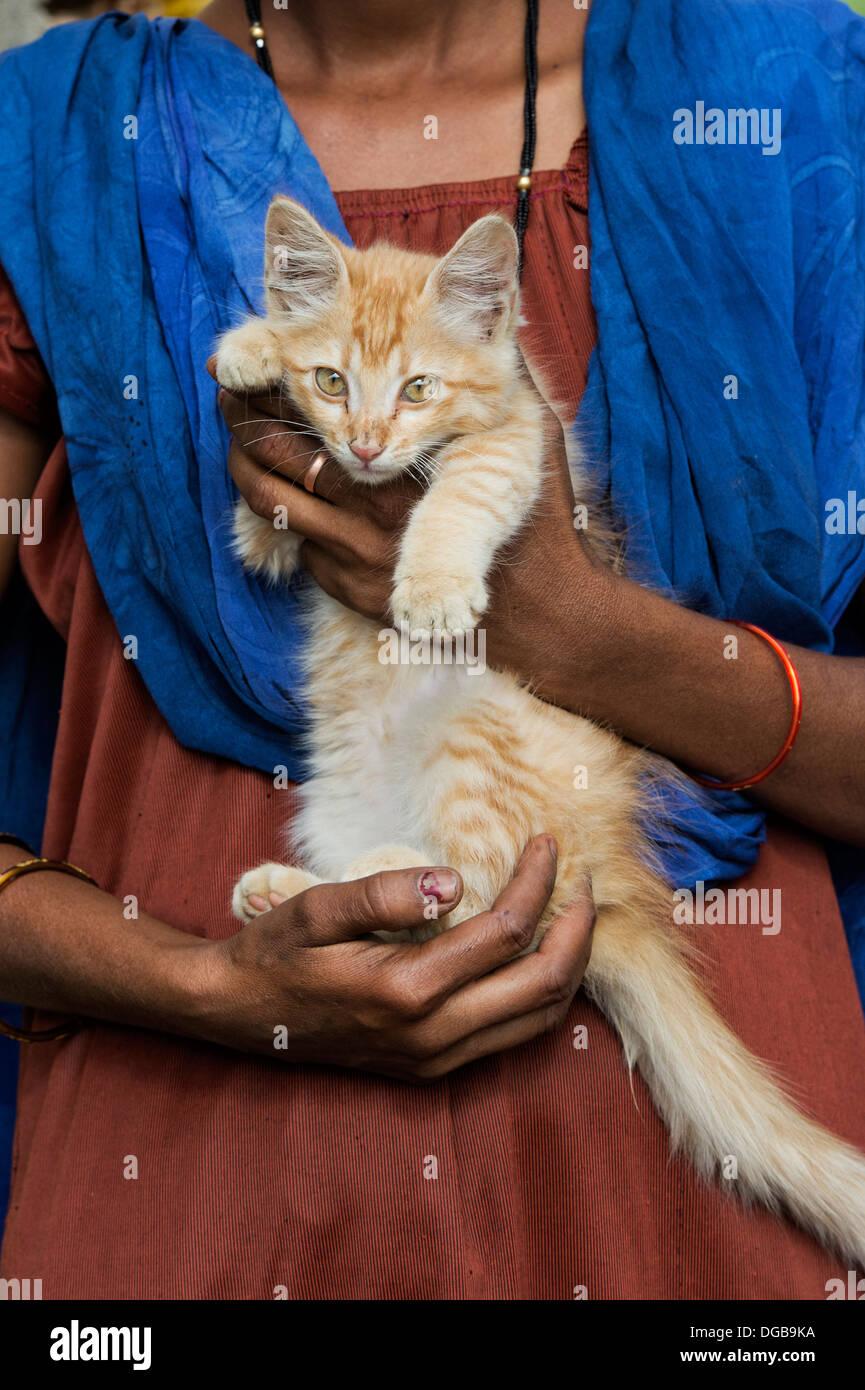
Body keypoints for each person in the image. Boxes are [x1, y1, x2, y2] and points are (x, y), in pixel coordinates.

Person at [0, 0, 863, 1299]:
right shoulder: (53, 142)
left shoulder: (786, 92)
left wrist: (583, 634)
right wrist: (199, 980)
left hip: (694, 1229)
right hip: (203, 1198)